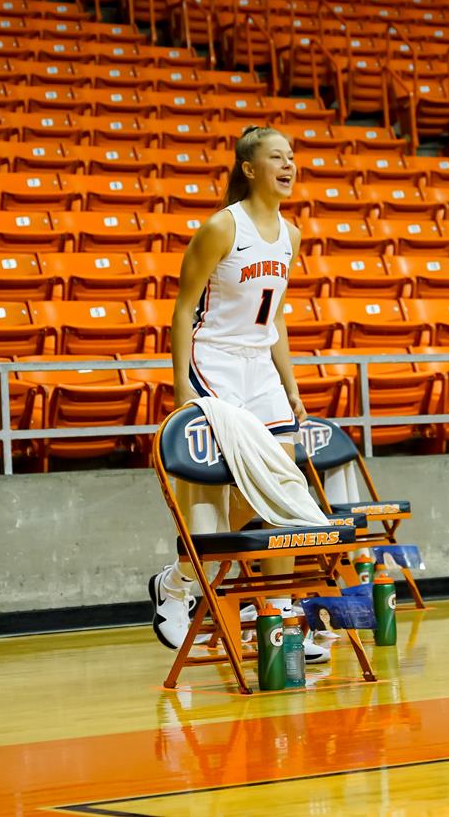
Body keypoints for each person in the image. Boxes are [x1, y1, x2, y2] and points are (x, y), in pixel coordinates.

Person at [147, 126, 325, 664]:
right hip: (215, 363)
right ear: (249, 168)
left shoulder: (291, 235)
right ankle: (178, 583)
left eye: (291, 156)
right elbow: (183, 309)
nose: (288, 165)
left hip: (261, 370)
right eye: (277, 157)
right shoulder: (223, 227)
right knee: (215, 497)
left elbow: (276, 318)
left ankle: (277, 615)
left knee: (281, 489)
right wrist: (182, 385)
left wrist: (290, 385)